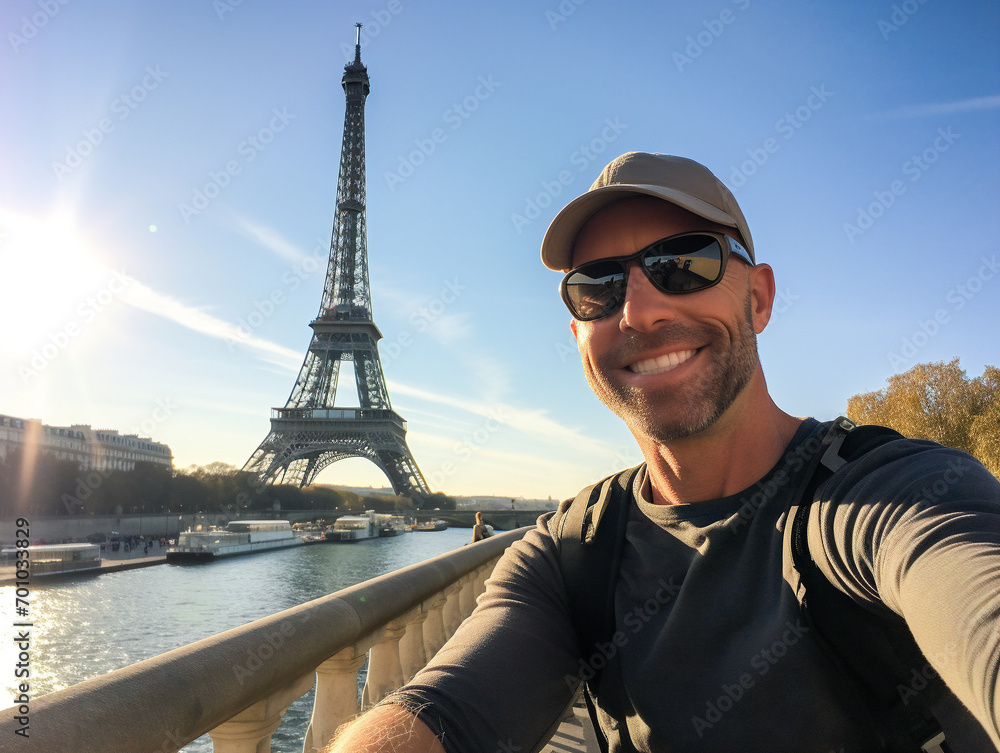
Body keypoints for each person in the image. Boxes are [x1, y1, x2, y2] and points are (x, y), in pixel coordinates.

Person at [327, 152, 1000, 752]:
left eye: (684, 264)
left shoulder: (895, 496)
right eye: (598, 285)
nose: (639, 311)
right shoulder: (570, 551)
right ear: (577, 333)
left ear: (759, 297)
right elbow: (444, 712)